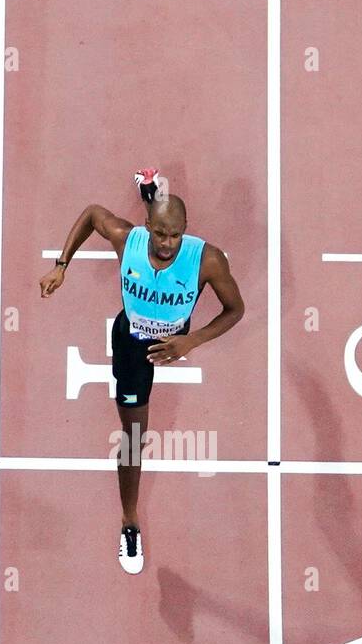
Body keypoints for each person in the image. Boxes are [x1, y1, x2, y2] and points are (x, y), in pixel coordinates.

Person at [39, 170, 245, 573]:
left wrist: (193, 340)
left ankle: (151, 189)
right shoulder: (127, 240)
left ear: (185, 230)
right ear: (147, 225)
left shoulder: (208, 260)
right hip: (132, 343)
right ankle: (130, 522)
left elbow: (236, 310)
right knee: (133, 437)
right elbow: (93, 214)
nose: (167, 244)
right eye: (160, 233)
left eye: (175, 235)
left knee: (135, 434)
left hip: (175, 338)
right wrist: (61, 265)